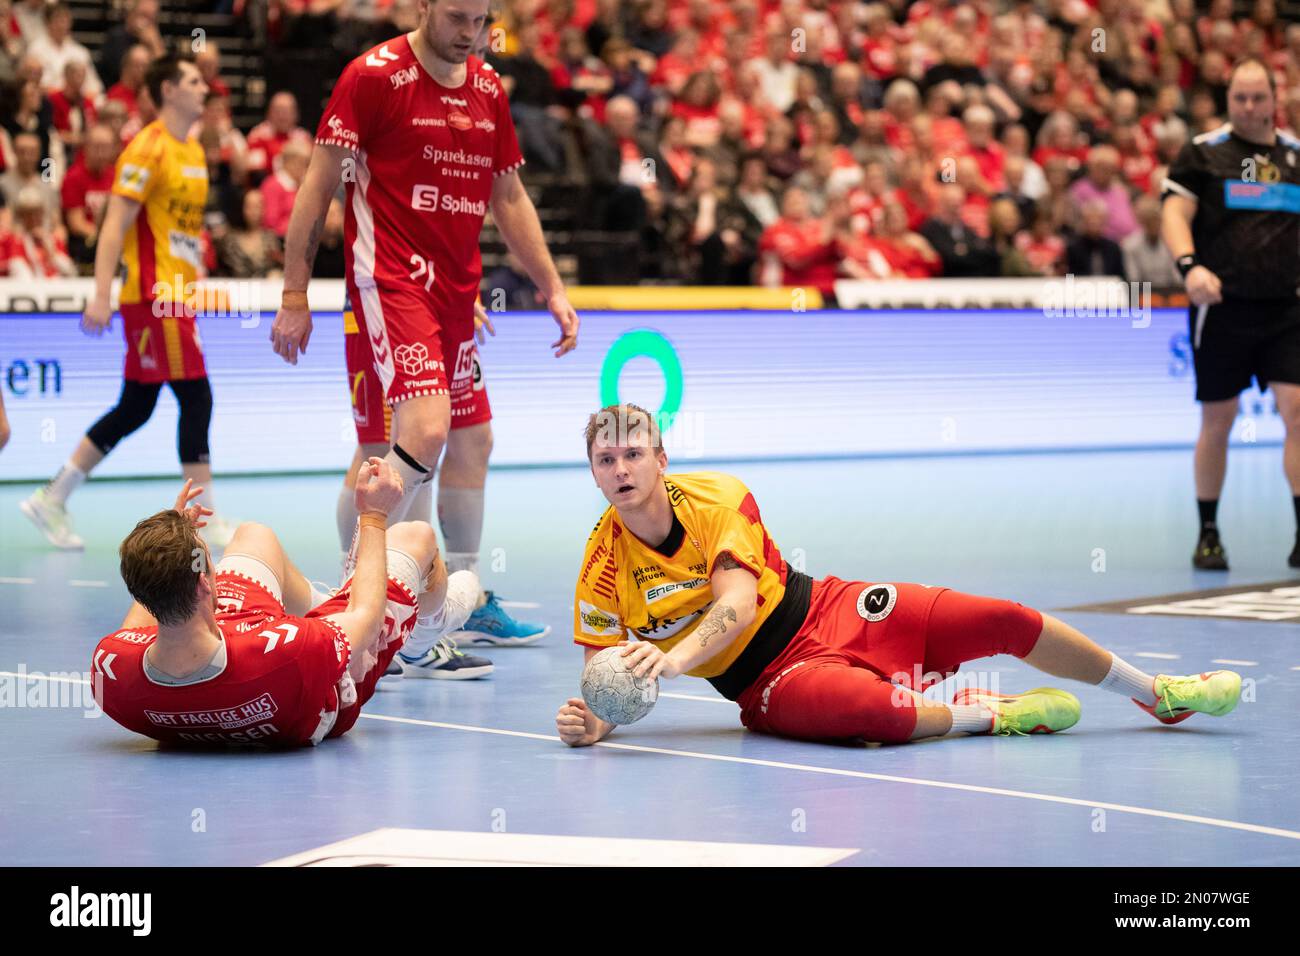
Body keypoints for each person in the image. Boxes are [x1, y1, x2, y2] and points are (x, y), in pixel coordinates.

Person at [556, 405, 1243, 748]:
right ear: (592, 470)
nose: (620, 471)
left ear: (661, 457)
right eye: (605, 460)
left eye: (632, 454)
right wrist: (596, 722)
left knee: (1000, 619)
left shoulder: (717, 498)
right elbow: (601, 676)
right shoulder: (602, 563)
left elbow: (736, 600)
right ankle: (987, 714)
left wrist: (672, 662)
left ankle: (1157, 694)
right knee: (872, 715)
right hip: (767, 684)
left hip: (829, 608)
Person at [271, 0, 578, 647]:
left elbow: (510, 197)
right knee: (423, 432)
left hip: (454, 299)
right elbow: (318, 185)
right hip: (389, 285)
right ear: (423, 7)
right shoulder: (372, 76)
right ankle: (371, 608)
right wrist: (294, 292)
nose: (471, 33)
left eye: (481, 20)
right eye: (458, 18)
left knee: (471, 442)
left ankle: (457, 602)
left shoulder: (489, 88)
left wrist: (552, 286)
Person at [92, 467, 480, 748]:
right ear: (203, 585)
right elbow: (367, 619)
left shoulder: (109, 670)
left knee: (253, 535)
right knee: (416, 537)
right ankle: (423, 636)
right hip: (325, 679)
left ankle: (330, 604)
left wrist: (169, 539)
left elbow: (146, 604)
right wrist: (374, 516)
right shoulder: (295, 651)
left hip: (235, 640)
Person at [20, 54, 233, 550]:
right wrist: (102, 292)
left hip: (181, 293)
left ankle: (54, 496)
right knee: (196, 396)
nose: (205, 87)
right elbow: (114, 223)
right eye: (194, 80)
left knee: (136, 405)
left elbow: (180, 229)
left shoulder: (195, 152)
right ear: (168, 91)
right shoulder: (147, 147)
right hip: (154, 297)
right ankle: (207, 518)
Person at [1161, 57, 1300, 570]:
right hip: (1220, 308)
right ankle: (1209, 533)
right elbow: (1175, 213)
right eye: (1238, 98)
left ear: (1273, 99)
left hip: (1288, 307)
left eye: (1257, 97)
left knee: (1298, 411)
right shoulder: (1203, 153)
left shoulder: (1295, 156)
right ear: (1228, 102)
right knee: (1219, 418)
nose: (1247, 107)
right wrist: (1189, 266)